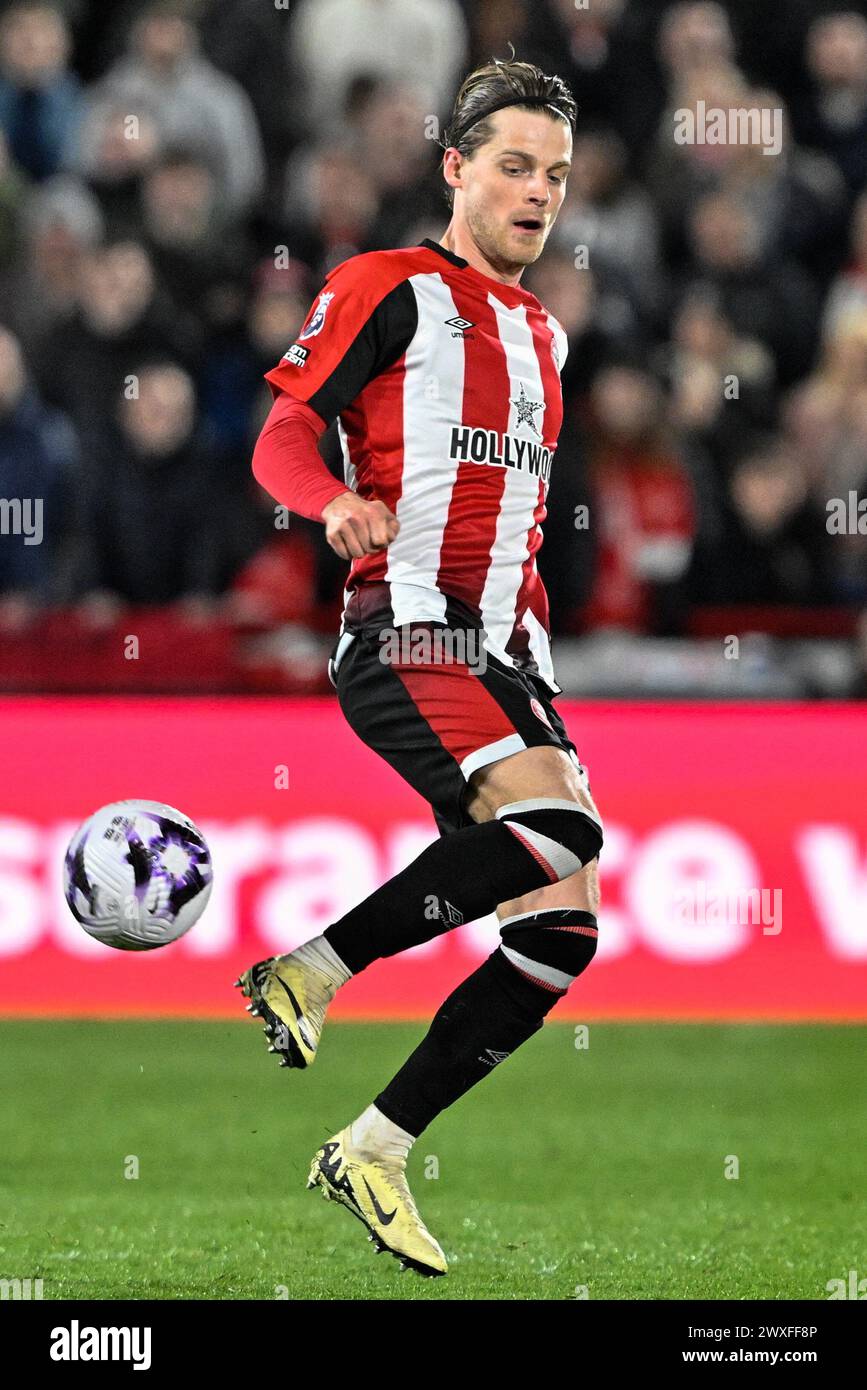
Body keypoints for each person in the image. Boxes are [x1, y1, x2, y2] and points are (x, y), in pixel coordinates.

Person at [236, 57, 604, 1278]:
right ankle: (311, 967)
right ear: (454, 167)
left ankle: (375, 1148)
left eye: (555, 173)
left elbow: (514, 524)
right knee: (562, 831)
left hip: (505, 652)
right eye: (512, 165)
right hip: (408, 630)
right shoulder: (385, 287)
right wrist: (334, 501)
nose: (537, 192)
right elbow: (283, 430)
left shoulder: (547, 335)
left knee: (561, 929)